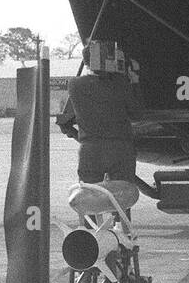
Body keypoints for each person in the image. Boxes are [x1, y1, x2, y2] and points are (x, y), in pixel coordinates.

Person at [56, 41, 142, 186]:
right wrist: (134, 82)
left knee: (90, 197)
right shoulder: (120, 83)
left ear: (86, 62)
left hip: (90, 150)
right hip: (120, 149)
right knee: (121, 197)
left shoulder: (75, 85)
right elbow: (137, 114)